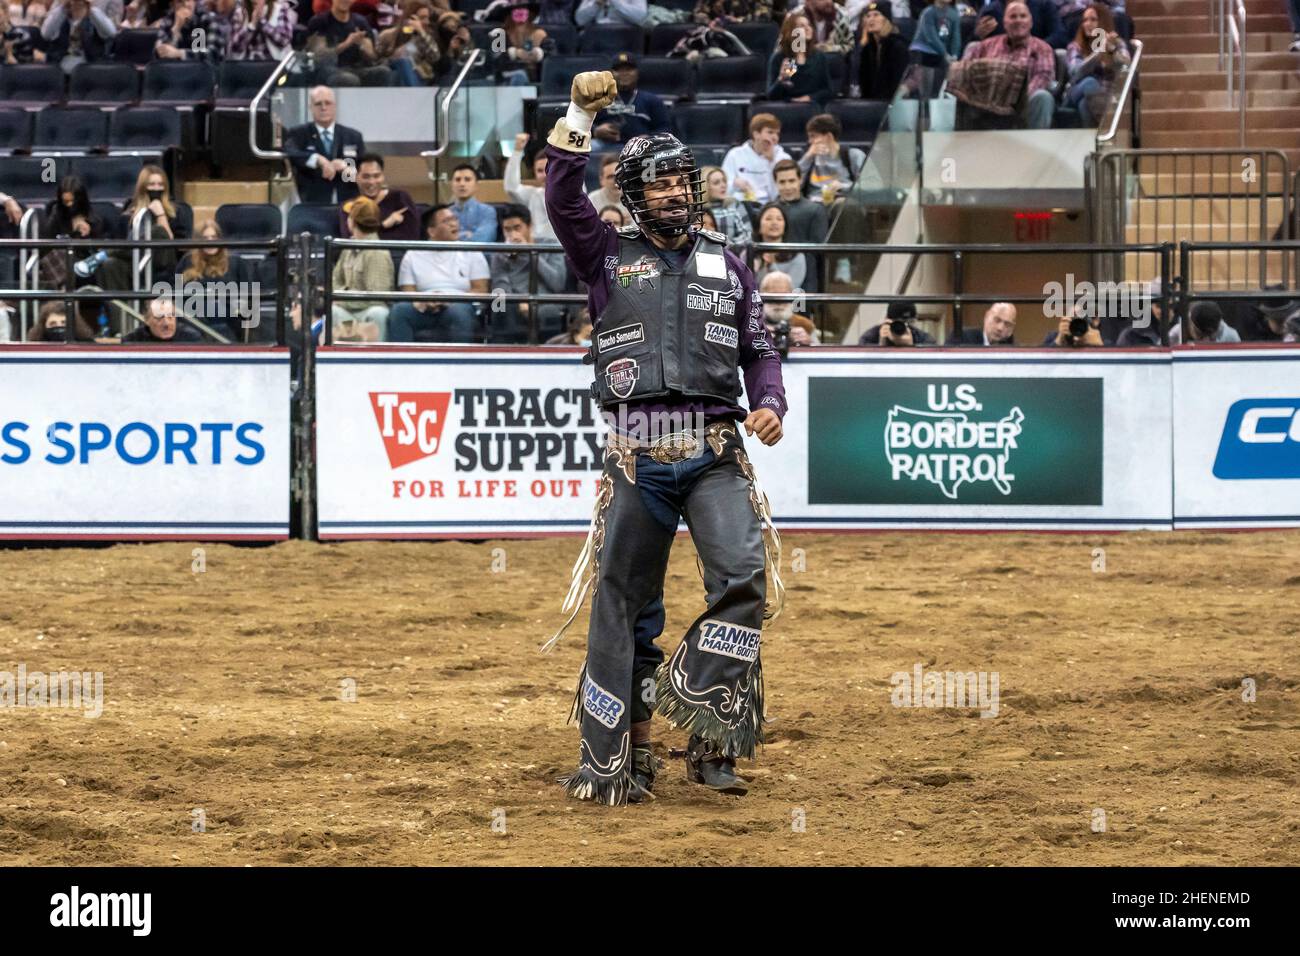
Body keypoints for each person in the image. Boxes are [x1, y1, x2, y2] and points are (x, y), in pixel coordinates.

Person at [543, 70, 787, 805]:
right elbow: (560, 195)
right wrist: (581, 112)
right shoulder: (604, 253)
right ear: (635, 195)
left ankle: (710, 734)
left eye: (684, 182)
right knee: (624, 601)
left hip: (715, 450)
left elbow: (760, 348)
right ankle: (623, 754)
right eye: (661, 185)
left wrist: (770, 398)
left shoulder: (729, 264)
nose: (677, 194)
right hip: (636, 452)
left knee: (742, 577)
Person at [389, 204, 488, 342]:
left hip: (459, 306)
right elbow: (408, 292)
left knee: (457, 312)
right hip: (423, 308)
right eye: (446, 221)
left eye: (455, 219)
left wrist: (450, 299)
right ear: (432, 231)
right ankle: (401, 362)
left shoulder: (471, 251)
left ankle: (459, 363)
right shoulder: (413, 254)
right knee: (399, 311)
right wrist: (424, 301)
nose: (454, 224)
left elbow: (481, 290)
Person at [958, 1, 1057, 129]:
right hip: (986, 102)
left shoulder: (1042, 48)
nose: (1018, 20)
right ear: (1004, 23)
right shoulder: (985, 46)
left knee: (1043, 97)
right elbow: (964, 70)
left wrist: (1013, 99)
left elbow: (1042, 78)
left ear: (1030, 22)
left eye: (1023, 16)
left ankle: (1035, 145)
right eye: (1013, 16)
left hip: (1024, 102)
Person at [486, 203, 568, 342]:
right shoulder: (500, 253)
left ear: (529, 226)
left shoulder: (551, 246)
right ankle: (501, 355)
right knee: (498, 303)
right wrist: (518, 302)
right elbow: (499, 285)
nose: (513, 234)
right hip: (513, 302)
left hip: (544, 300)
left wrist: (530, 252)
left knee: (546, 310)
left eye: (517, 228)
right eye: (507, 229)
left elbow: (557, 283)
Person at [284, 86, 367, 204]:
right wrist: (317, 159)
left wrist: (346, 168)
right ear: (310, 108)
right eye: (318, 104)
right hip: (312, 204)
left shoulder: (353, 136)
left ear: (335, 106)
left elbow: (364, 172)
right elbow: (290, 153)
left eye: (328, 103)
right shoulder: (298, 133)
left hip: (348, 205)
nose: (323, 108)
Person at [329, 196, 394, 341]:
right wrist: (340, 297)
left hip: (366, 314)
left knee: (378, 313)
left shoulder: (377, 252)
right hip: (347, 313)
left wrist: (343, 298)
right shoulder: (347, 248)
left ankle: (376, 359)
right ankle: (336, 360)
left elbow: (377, 297)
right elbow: (335, 279)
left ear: (353, 222)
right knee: (333, 311)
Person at [177, 219, 249, 338]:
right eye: (205, 238)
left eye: (214, 237)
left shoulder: (236, 262)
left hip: (227, 318)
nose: (210, 241)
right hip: (194, 320)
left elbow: (247, 296)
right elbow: (177, 295)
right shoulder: (187, 261)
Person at [1062, 4, 1129, 127]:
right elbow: (1075, 72)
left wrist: (1112, 51)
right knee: (1090, 82)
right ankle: (1104, 127)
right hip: (1076, 92)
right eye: (1085, 20)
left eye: (1093, 19)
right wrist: (1098, 53)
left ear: (1103, 22)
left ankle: (1093, 140)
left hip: (1106, 96)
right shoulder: (1075, 46)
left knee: (1085, 104)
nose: (1088, 24)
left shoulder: (1117, 43)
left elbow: (1126, 68)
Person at [591, 53, 672, 154]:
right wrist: (595, 131)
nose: (624, 73)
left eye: (629, 69)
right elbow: (579, 124)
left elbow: (665, 128)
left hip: (641, 148)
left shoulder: (652, 100)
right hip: (604, 144)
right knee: (584, 148)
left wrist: (650, 138)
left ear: (637, 73)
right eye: (618, 70)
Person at [121, 164, 191, 277]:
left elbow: (173, 244)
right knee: (110, 264)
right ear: (143, 187)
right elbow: (122, 238)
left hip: (164, 260)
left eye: (160, 184)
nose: (157, 188)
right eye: (152, 184)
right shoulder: (130, 209)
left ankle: (103, 254)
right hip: (135, 260)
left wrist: (160, 214)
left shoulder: (177, 211)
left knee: (157, 231)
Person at [306, 0, 391, 87]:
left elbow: (372, 56)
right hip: (329, 70)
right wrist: (347, 43)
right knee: (349, 79)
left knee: (383, 72)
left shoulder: (361, 22)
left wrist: (364, 47)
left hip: (355, 68)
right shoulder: (320, 21)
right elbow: (319, 56)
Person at [337, 153, 420, 241]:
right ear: (356, 177)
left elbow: (411, 236)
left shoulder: (400, 197)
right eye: (366, 177)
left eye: (376, 176)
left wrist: (367, 233)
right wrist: (384, 225)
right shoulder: (350, 206)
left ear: (383, 176)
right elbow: (349, 239)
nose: (372, 182)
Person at [766, 9, 835, 107]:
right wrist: (781, 80)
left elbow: (828, 91)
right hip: (786, 109)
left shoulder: (819, 57)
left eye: (808, 25)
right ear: (791, 31)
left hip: (812, 107)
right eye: (802, 26)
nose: (807, 28)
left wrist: (809, 98)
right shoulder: (780, 58)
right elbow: (771, 96)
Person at [722, 112, 792, 206]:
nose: (775, 137)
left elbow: (778, 195)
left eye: (777, 134)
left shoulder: (783, 158)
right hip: (740, 205)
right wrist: (735, 184)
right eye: (770, 132)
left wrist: (771, 162)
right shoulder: (735, 154)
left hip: (772, 207)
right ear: (756, 134)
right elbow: (723, 188)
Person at [850, 1, 909, 100]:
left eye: (876, 15)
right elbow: (857, 78)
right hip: (870, 104)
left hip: (892, 104)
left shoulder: (898, 46)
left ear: (887, 19)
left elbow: (897, 83)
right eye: (868, 16)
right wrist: (861, 45)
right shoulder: (868, 48)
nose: (871, 19)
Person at [485, 0, 552, 85]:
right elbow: (495, 58)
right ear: (508, 16)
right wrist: (514, 53)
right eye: (516, 13)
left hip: (535, 80)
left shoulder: (539, 33)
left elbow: (551, 54)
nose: (520, 19)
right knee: (519, 76)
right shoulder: (499, 34)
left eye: (523, 13)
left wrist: (538, 54)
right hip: (508, 79)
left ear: (530, 15)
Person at [376, 0, 440, 86]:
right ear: (410, 18)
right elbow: (377, 59)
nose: (427, 22)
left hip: (420, 77)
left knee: (403, 63)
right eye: (423, 18)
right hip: (396, 74)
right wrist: (394, 56)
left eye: (427, 18)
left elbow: (435, 57)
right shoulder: (388, 35)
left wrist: (421, 31)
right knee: (399, 68)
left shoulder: (425, 36)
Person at [40, 0, 116, 72]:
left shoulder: (95, 16)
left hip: (91, 70)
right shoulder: (59, 14)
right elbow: (46, 34)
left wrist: (91, 9)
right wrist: (63, 8)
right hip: (59, 69)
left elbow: (111, 32)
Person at [749, 203, 809, 292]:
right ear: (759, 227)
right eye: (768, 219)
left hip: (786, 304)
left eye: (779, 219)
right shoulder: (749, 254)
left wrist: (771, 264)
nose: (774, 223)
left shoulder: (797, 256)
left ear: (785, 227)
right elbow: (749, 287)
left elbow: (790, 289)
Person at [505, 133, 554, 240]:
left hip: (561, 249)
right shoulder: (533, 194)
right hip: (534, 248)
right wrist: (517, 151)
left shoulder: (572, 191)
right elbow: (511, 188)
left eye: (548, 169)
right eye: (540, 171)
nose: (545, 175)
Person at [908, 0, 961, 97]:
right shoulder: (928, 12)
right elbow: (930, 37)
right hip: (924, 52)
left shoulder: (954, 14)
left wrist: (954, 55)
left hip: (941, 55)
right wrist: (945, 54)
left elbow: (955, 37)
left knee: (937, 89)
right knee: (925, 90)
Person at [773, 158, 829, 244]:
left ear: (800, 180)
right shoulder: (768, 211)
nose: (787, 187)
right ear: (775, 183)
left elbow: (818, 250)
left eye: (792, 181)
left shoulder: (816, 210)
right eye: (782, 182)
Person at [701, 165, 753, 250]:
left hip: (732, 257)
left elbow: (747, 237)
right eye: (716, 183)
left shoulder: (735, 205)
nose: (723, 185)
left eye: (724, 181)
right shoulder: (696, 210)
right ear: (704, 186)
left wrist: (725, 248)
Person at [760, 271, 817, 346]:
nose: (779, 303)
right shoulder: (751, 324)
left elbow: (820, 353)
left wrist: (809, 343)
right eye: (773, 296)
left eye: (783, 296)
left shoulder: (805, 325)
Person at [228, 0, 298, 60]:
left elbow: (284, 40)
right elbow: (235, 47)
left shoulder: (280, 9)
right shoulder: (239, 12)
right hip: (246, 64)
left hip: (275, 63)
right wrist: (252, 26)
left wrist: (262, 22)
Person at [447, 163, 498, 243]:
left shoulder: (487, 211)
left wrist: (454, 237)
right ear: (452, 185)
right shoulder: (446, 213)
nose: (462, 184)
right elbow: (438, 240)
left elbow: (483, 241)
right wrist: (467, 235)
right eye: (457, 180)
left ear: (476, 185)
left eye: (467, 179)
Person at [122, 295, 205, 343]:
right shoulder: (133, 340)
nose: (166, 323)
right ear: (146, 320)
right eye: (159, 317)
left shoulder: (191, 339)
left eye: (170, 316)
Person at [859, 300, 935, 344]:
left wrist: (912, 347)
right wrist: (881, 344)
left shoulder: (921, 337)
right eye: (897, 323)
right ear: (887, 320)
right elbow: (862, 364)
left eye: (908, 323)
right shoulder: (873, 335)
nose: (901, 327)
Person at [1168, 300, 1241, 346]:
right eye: (1200, 335)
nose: (1205, 339)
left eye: (1210, 335)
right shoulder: (1177, 333)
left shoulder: (1230, 336)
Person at [587, 154, 630, 221]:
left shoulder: (633, 198)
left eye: (618, 175)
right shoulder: (592, 200)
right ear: (601, 180)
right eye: (610, 177)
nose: (615, 181)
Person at [28, 301, 96, 342]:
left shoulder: (87, 345)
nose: (59, 326)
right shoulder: (35, 347)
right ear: (43, 325)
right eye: (53, 324)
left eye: (64, 323)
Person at [574, 0, 646, 26]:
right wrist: (596, 5)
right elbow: (579, 20)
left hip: (624, 37)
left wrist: (615, 2)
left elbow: (640, 17)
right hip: (597, 39)